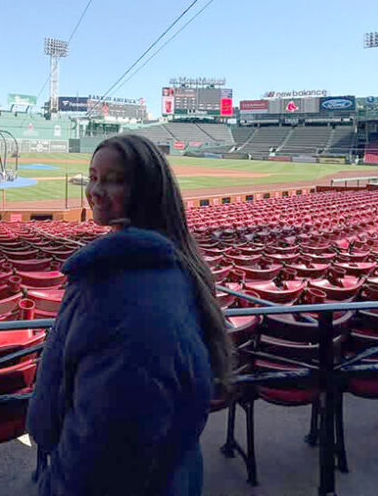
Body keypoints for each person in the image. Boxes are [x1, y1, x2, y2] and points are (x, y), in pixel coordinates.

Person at [27, 134, 231, 496]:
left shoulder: (109, 286)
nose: (95, 189)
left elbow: (98, 441)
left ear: (145, 191)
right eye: (93, 177)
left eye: (114, 179)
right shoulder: (181, 269)